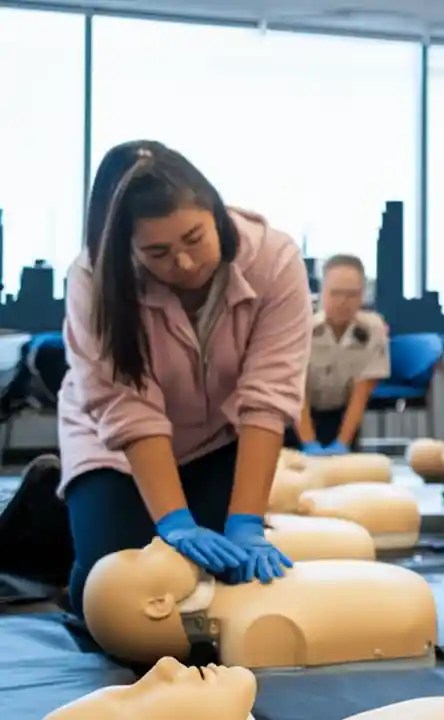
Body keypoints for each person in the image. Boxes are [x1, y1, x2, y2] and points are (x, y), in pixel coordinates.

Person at [55, 140, 312, 617]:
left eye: (194, 238)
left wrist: (246, 521)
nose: (185, 264)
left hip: (215, 438)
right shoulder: (94, 280)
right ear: (127, 249)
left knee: (219, 581)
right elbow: (126, 407)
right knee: (121, 593)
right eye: (158, 252)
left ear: (215, 212)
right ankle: (69, 521)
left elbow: (269, 395)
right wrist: (174, 521)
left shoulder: (275, 260)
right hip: (114, 448)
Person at [286, 254, 390, 456]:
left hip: (342, 417)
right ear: (322, 292)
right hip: (296, 417)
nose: (343, 301)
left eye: (352, 294)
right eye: (335, 293)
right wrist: (308, 443)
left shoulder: (373, 330)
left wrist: (343, 443)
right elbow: (296, 388)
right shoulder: (299, 326)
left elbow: (361, 392)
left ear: (363, 295)